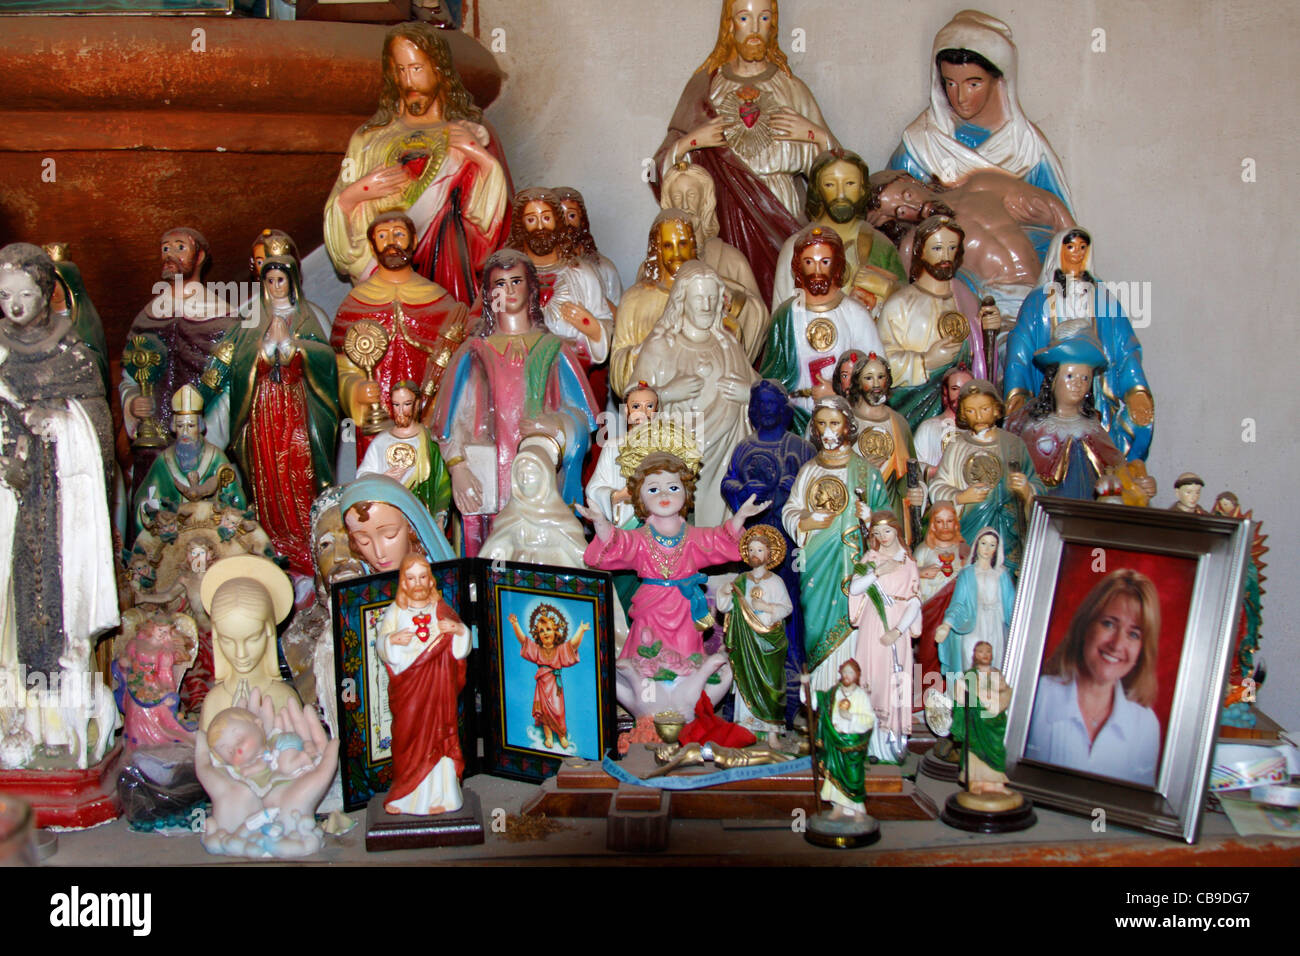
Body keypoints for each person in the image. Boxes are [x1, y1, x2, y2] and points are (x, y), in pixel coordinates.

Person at [0, 243, 118, 768]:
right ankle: (14, 718)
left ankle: (57, 722)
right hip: (9, 501)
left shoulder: (75, 356)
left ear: (47, 292)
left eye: (25, 293)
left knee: (58, 608)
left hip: (59, 509)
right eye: (5, 295)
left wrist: (62, 423)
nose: (15, 305)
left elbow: (97, 426)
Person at [654, 0, 839, 303]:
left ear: (773, 25)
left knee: (784, 293)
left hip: (780, 209)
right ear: (729, 25)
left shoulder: (792, 88)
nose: (754, 29)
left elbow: (839, 172)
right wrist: (694, 141)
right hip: (724, 209)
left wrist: (814, 135)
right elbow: (664, 166)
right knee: (731, 298)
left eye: (763, 18)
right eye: (744, 17)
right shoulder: (706, 87)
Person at [323, 21, 509, 303]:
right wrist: (360, 193)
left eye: (416, 69)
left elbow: (495, 223)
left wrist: (479, 157)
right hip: (385, 282)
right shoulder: (369, 139)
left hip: (453, 274)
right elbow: (339, 205)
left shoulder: (468, 130)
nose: (408, 82)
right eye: (400, 70)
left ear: (439, 69)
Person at [431, 248, 599, 554]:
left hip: (543, 485)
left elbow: (585, 419)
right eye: (499, 284)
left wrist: (558, 426)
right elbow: (448, 423)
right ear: (488, 293)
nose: (508, 290)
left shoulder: (555, 350)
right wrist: (458, 467)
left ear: (531, 288)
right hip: (486, 480)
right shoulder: (473, 352)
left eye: (516, 281)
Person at [198, 252, 339, 575]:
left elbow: (325, 361)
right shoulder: (250, 320)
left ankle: (305, 539)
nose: (276, 287)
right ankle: (271, 538)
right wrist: (261, 351)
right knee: (268, 475)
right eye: (270, 280)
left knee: (299, 469)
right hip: (263, 410)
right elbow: (232, 362)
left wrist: (292, 347)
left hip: (296, 408)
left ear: (292, 282)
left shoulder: (307, 317)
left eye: (281, 280)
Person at [577, 450, 766, 681]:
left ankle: (683, 700)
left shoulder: (693, 537)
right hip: (650, 610)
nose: (663, 495)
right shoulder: (639, 538)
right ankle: (648, 703)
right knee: (646, 657)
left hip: (684, 609)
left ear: (686, 493)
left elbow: (718, 540)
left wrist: (739, 518)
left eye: (673, 487)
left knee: (686, 659)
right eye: (653, 489)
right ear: (640, 497)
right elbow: (617, 544)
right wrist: (600, 522)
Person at [890, 9, 1073, 211]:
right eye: (951, 83)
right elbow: (888, 213)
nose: (960, 97)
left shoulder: (1028, 150)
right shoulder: (922, 144)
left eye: (973, 84)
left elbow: (1064, 231)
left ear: (999, 81)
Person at [330, 211, 470, 460]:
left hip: (429, 416)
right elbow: (340, 367)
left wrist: (438, 399)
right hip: (379, 420)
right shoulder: (354, 305)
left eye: (399, 234)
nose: (391, 242)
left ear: (414, 241)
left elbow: (460, 364)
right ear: (373, 246)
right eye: (382, 236)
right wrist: (356, 389)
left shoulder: (441, 302)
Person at [1004, 228, 1154, 460]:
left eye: (1082, 248)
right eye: (1070, 247)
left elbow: (1126, 347)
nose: (1077, 253)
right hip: (1052, 394)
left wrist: (1136, 389)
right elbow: (1019, 354)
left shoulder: (1104, 299)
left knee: (1100, 455)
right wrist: (1017, 395)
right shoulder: (1038, 301)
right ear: (1058, 251)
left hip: (1092, 391)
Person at [630, 260, 758, 525]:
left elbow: (763, 391)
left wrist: (749, 394)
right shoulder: (659, 346)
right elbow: (633, 399)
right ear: (681, 300)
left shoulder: (728, 345)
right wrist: (665, 394)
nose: (707, 305)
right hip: (678, 453)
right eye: (699, 297)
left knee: (722, 523)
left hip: (726, 454)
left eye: (712, 297)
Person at [781, 396, 891, 693]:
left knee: (856, 625)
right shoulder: (808, 470)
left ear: (847, 426)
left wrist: (872, 519)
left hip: (854, 565)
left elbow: (889, 521)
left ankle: (855, 693)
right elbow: (790, 510)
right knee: (816, 628)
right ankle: (820, 693)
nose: (827, 431)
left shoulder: (868, 473)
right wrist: (808, 520)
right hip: (817, 564)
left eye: (834, 423)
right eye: (820, 424)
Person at [121, 227, 239, 491]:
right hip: (153, 449)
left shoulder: (222, 316)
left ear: (200, 257)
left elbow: (232, 385)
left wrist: (208, 433)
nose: (170, 255)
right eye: (165, 248)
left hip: (204, 446)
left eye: (180, 247)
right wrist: (132, 403)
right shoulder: (146, 318)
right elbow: (130, 377)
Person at [1025, 568, 1162, 787]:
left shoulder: (1146, 726)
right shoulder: (1034, 696)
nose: (1117, 644)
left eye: (1133, 634)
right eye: (1108, 623)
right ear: (1085, 626)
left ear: (1142, 650)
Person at [1010, 319, 1155, 502]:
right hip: (1049, 516)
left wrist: (1137, 483)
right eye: (1070, 376)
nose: (1078, 384)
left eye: (1085, 378)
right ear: (1053, 380)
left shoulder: (1093, 427)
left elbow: (1118, 471)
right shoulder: (1032, 427)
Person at [877, 215, 997, 430]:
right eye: (937, 248)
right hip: (914, 406)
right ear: (920, 251)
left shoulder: (966, 298)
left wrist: (988, 329)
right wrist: (925, 362)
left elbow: (980, 357)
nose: (945, 256)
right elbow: (881, 362)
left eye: (952, 249)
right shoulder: (900, 304)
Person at [761, 226, 884, 433]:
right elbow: (772, 374)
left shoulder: (855, 314)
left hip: (844, 422)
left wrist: (838, 396)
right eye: (809, 262)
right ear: (798, 266)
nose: (817, 270)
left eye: (824, 262)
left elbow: (877, 378)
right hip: (796, 420)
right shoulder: (786, 315)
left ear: (837, 265)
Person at [375, 553, 471, 815]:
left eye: (422, 577)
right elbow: (381, 643)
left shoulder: (441, 609)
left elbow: (462, 641)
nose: (417, 583)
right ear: (403, 582)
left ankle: (443, 795)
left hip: (438, 690)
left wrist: (458, 631)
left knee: (439, 737)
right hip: (408, 688)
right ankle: (405, 796)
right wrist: (392, 641)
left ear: (430, 580)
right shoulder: (395, 611)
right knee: (406, 738)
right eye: (411, 578)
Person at [929, 379, 1043, 576]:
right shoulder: (957, 447)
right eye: (971, 411)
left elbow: (1038, 485)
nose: (979, 416)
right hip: (970, 528)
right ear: (963, 414)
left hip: (1009, 530)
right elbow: (937, 486)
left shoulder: (1013, 444)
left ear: (997, 410)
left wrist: (1026, 489)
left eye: (984, 409)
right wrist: (962, 497)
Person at [658, 162, 769, 361]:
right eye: (677, 197)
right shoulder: (654, 264)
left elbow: (758, 314)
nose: (684, 204)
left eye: (691, 195)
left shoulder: (731, 260)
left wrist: (733, 299)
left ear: (705, 201)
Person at [772, 149, 905, 315]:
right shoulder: (795, 247)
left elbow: (908, 306)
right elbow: (783, 317)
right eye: (830, 185)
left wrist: (888, 289)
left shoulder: (881, 245)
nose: (841, 194)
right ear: (817, 190)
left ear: (863, 188)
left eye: (850, 184)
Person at [505, 188, 612, 370]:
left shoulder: (582, 274)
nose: (540, 227)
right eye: (531, 220)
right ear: (520, 227)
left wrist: (591, 327)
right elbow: (487, 328)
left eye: (546, 218)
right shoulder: (506, 276)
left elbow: (605, 323)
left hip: (570, 376)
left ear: (558, 223)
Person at [848, 512, 921, 763]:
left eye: (887, 532)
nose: (882, 538)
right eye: (877, 534)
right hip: (872, 623)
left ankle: (891, 744)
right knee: (872, 676)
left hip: (896, 627)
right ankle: (868, 744)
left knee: (894, 680)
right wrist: (877, 572)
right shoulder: (872, 558)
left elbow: (914, 601)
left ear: (896, 530)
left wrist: (899, 630)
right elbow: (855, 588)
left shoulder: (909, 562)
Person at [198, 555, 300, 731]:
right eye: (228, 640)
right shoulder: (214, 701)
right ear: (216, 637)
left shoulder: (284, 698)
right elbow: (205, 755)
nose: (241, 654)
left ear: (268, 632)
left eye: (252, 639)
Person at [133, 385, 246, 539]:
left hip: (212, 536)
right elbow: (145, 499)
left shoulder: (216, 458)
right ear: (174, 427)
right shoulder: (164, 461)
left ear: (200, 427)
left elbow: (236, 499)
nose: (185, 432)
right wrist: (152, 511)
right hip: (175, 540)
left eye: (190, 425)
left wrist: (223, 508)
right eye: (180, 426)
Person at [716, 525, 791, 742]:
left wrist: (767, 607)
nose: (754, 554)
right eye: (751, 550)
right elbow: (724, 607)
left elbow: (787, 608)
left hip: (769, 643)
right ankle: (746, 726)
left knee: (772, 684)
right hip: (746, 642)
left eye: (759, 550)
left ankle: (772, 732)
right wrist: (724, 591)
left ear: (769, 554)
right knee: (746, 681)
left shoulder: (776, 581)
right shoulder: (740, 581)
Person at [356, 380, 451, 526]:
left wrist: (440, 516)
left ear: (417, 404)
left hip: (421, 518)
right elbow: (362, 477)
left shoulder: (428, 441)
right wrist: (382, 478)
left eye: (406, 404)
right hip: (387, 517)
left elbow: (441, 483)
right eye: (396, 405)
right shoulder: (381, 441)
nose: (400, 411)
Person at [934, 527, 1017, 679]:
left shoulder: (1002, 575)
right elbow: (958, 603)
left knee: (994, 663)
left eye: (992, 545)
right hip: (972, 623)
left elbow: (1013, 606)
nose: (987, 548)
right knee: (969, 660)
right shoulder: (967, 574)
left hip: (996, 626)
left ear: (997, 549)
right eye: (984, 543)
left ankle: (990, 699)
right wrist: (947, 624)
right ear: (977, 544)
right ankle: (970, 699)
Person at [846, 352, 917, 526]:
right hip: (856, 503)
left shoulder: (899, 422)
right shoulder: (846, 421)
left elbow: (911, 472)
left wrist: (916, 491)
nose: (876, 384)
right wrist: (863, 469)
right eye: (868, 378)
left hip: (891, 505)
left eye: (881, 377)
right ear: (857, 382)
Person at [509, 603, 587, 752]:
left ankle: (562, 734)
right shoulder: (537, 650)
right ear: (538, 634)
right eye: (541, 631)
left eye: (549, 629)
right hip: (542, 686)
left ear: (556, 631)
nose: (545, 633)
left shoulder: (559, 650)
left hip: (555, 686)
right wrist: (515, 624)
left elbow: (572, 646)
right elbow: (523, 641)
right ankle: (549, 736)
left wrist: (581, 630)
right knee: (544, 712)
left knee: (558, 711)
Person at [341, 473, 455, 574]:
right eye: (364, 541)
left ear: (411, 527)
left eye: (390, 535)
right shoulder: (360, 592)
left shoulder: (439, 579)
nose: (379, 554)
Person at [804, 660, 873, 821]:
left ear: (856, 675)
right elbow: (813, 701)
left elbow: (869, 719)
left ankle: (857, 811)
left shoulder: (860, 695)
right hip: (834, 742)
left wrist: (851, 717)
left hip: (852, 744)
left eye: (851, 673)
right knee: (835, 775)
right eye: (845, 672)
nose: (847, 676)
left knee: (854, 777)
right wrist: (806, 685)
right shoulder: (834, 693)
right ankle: (838, 808)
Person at [951, 639, 1016, 795]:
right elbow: (960, 695)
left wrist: (998, 704)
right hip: (976, 721)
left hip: (994, 721)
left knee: (996, 750)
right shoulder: (969, 675)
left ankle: (995, 784)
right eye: (981, 651)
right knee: (975, 751)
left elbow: (1005, 691)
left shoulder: (996, 674)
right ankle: (976, 783)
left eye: (988, 651)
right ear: (975, 655)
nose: (985, 655)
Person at [554, 186, 623, 309]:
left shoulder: (605, 268)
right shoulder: (543, 270)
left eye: (571, 215)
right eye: (558, 216)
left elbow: (619, 317)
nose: (565, 224)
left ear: (582, 220)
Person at [912, 363, 973, 480]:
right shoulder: (928, 427)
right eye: (955, 389)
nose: (961, 394)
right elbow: (915, 465)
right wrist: (936, 470)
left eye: (967, 389)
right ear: (946, 391)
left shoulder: (978, 429)